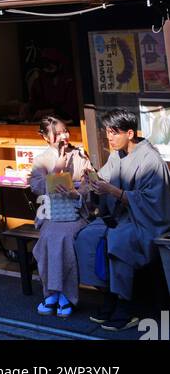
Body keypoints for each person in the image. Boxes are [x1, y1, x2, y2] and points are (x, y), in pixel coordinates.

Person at [74, 108, 170, 331]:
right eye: (107, 132)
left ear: (129, 133)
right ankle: (109, 295)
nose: (109, 137)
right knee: (86, 237)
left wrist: (113, 191)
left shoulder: (150, 160)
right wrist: (92, 182)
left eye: (114, 132)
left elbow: (152, 203)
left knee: (119, 241)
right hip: (122, 217)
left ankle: (125, 307)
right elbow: (104, 179)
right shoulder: (117, 155)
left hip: (148, 222)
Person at [29, 115, 94, 317]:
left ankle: (66, 294)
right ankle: (52, 292)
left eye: (65, 131)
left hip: (75, 212)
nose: (63, 136)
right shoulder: (41, 160)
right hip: (52, 214)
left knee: (64, 238)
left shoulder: (80, 155)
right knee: (48, 238)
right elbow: (36, 186)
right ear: (46, 137)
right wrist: (57, 168)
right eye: (57, 134)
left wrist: (77, 193)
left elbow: (91, 183)